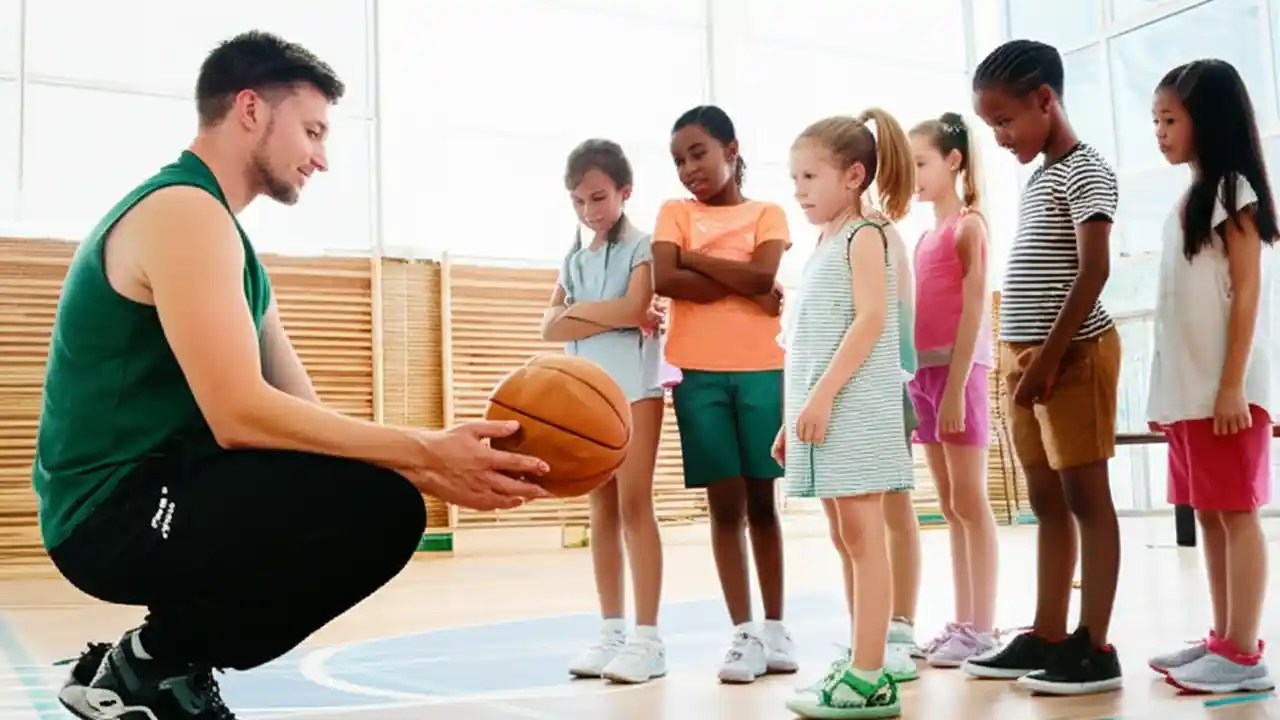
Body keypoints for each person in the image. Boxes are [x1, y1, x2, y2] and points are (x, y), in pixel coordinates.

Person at [40, 31, 550, 720]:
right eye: (311, 131)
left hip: (165, 488)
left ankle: (164, 663)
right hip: (112, 515)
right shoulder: (182, 212)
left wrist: (435, 469)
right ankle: (152, 661)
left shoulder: (228, 241)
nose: (322, 158)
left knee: (379, 494)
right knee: (379, 508)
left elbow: (304, 417)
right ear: (250, 109)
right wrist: (423, 450)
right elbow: (240, 415)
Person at [962, 39, 1125, 696]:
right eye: (990, 124)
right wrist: (1021, 363)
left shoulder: (1088, 170)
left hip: (1071, 356)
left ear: (1045, 101)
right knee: (1045, 500)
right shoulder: (1040, 177)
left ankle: (1097, 645)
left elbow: (1095, 270)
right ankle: (1050, 630)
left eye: (1005, 121)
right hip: (1023, 360)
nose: (999, 136)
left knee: (1088, 499)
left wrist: (1048, 362)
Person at [778, 107, 918, 718]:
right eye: (795, 180)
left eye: (810, 177)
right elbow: (811, 334)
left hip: (855, 409)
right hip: (824, 411)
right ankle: (860, 658)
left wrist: (825, 395)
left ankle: (870, 673)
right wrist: (796, 416)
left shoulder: (868, 235)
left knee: (864, 537)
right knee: (843, 535)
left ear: (854, 176)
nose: (800, 191)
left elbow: (870, 320)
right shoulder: (824, 242)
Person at [651, 105, 797, 683]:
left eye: (698, 154)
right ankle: (742, 633)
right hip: (698, 375)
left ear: (731, 150)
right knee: (724, 508)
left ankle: (776, 627)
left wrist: (694, 260)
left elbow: (765, 278)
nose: (688, 169)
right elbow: (666, 280)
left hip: (763, 370)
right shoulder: (673, 213)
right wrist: (738, 280)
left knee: (764, 506)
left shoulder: (769, 212)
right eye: (679, 161)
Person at [1145, 59, 1276, 695]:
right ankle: (1224, 639)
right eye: (1156, 120)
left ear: (1210, 120)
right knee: (1213, 515)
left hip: (1226, 393)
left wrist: (1233, 385)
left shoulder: (1233, 191)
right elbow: (1174, 310)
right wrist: (1163, 396)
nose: (1160, 132)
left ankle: (1246, 655)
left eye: (1170, 119)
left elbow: (1248, 293)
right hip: (1192, 396)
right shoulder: (1191, 200)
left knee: (1237, 514)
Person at [543, 139, 667, 684]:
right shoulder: (572, 258)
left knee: (636, 505)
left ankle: (648, 638)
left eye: (598, 198)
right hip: (585, 395)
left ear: (624, 192)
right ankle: (612, 629)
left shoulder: (644, 247)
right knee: (601, 509)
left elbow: (636, 309)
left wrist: (581, 313)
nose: (589, 211)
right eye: (578, 202)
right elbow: (549, 327)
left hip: (636, 390)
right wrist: (607, 316)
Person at [907, 112, 1001, 667]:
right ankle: (962, 621)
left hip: (958, 375)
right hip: (923, 374)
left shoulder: (970, 226)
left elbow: (972, 310)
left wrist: (955, 385)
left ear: (953, 161)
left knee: (971, 500)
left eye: (921, 162)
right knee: (948, 503)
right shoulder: (923, 235)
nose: (913, 173)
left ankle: (982, 627)